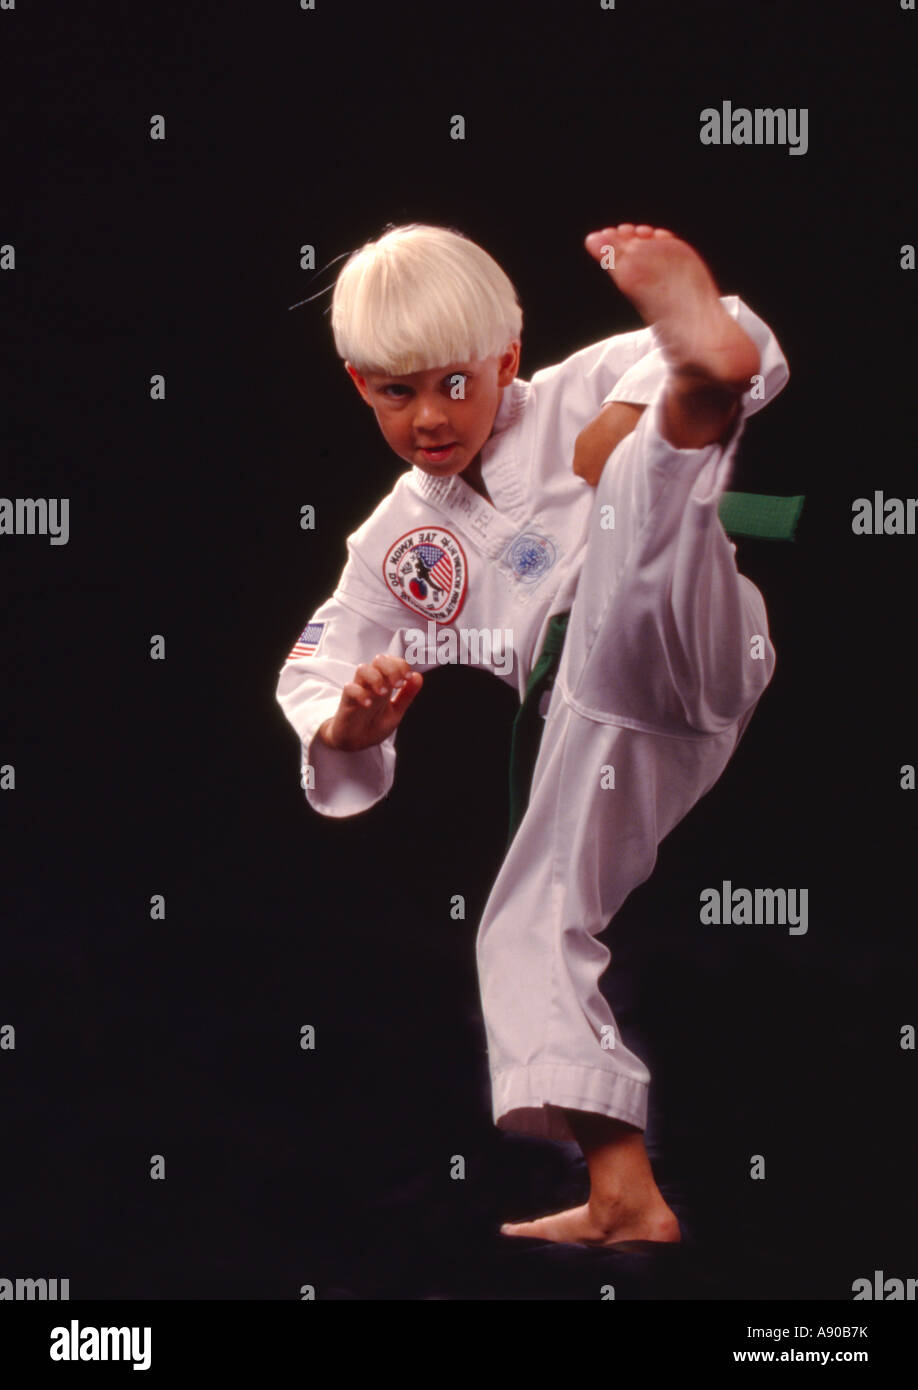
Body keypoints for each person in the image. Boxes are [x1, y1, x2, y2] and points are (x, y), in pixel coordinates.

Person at [276, 221, 790, 1245]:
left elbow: (748, 335)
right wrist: (346, 722)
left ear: (504, 361)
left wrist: (653, 390)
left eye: (454, 386)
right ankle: (623, 1194)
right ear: (358, 384)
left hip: (689, 635)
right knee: (518, 924)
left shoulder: (575, 388)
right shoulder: (390, 544)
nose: (429, 418)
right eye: (395, 391)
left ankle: (689, 402)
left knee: (636, 496)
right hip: (596, 725)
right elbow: (313, 665)